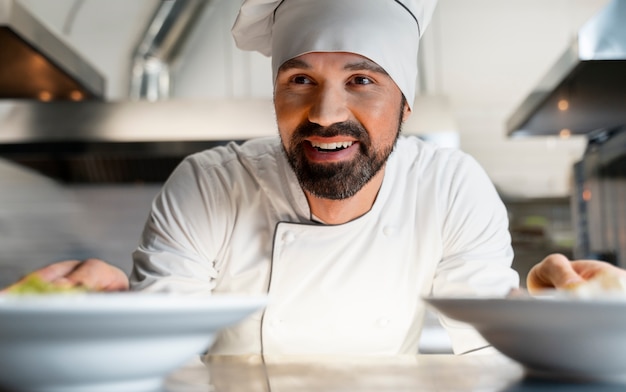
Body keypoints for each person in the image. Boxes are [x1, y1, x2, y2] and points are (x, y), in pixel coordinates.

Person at [7, 0, 595, 355]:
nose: (326, 113)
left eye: (362, 80)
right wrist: (91, 314)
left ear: (406, 105)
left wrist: (576, 306)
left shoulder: (450, 188)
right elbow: (155, 350)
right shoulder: (210, 185)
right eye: (300, 80)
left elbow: (488, 345)